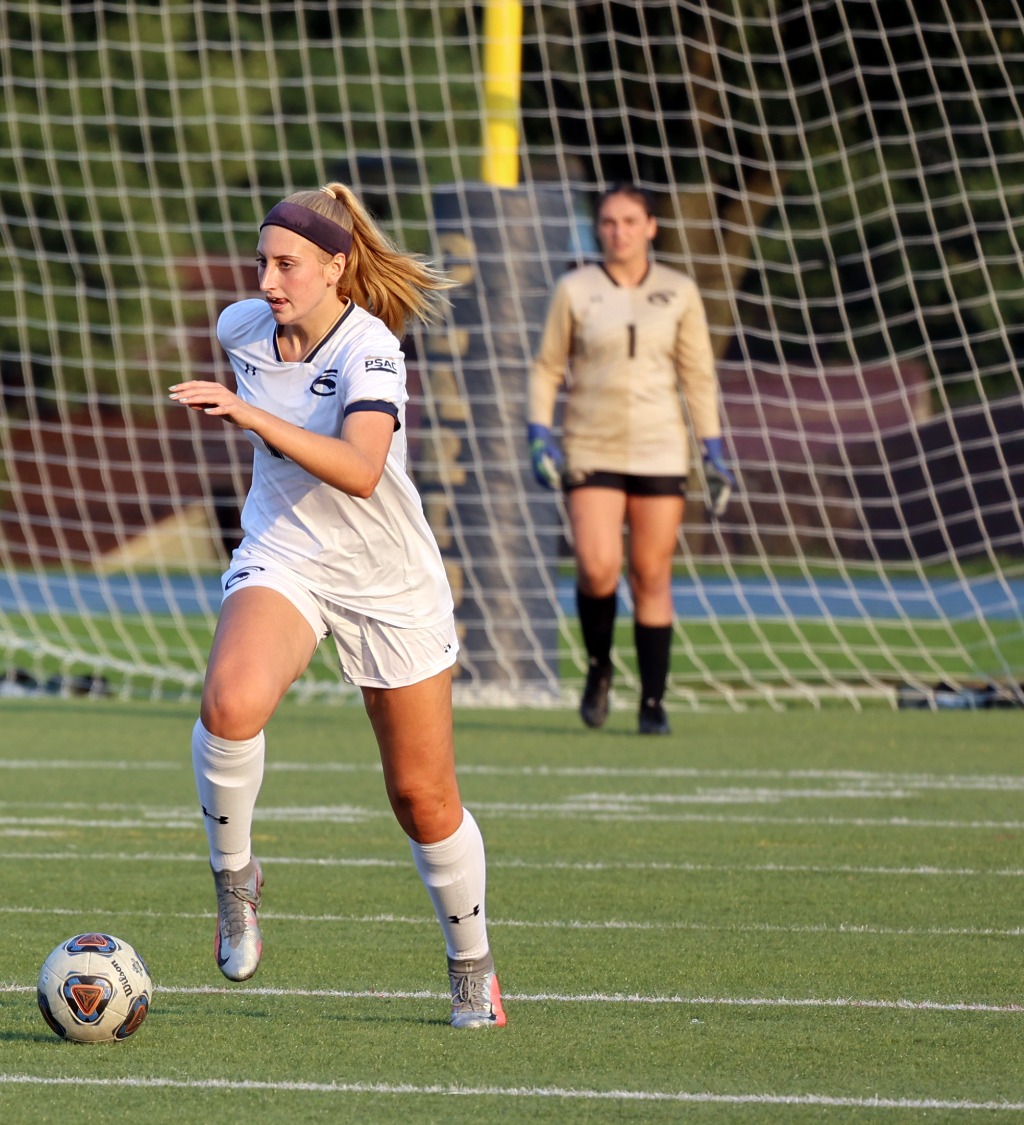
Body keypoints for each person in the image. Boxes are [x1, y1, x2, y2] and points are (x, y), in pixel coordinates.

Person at [167, 184, 502, 1029]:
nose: (269, 281)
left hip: (389, 580)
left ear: (335, 264)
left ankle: (472, 964)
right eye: (262, 262)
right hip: (287, 557)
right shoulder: (242, 328)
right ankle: (236, 883)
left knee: (422, 796)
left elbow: (358, 468)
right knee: (229, 702)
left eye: (288, 264)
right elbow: (256, 353)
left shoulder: (373, 350)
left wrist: (247, 412)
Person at [526, 185, 735, 735]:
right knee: (597, 569)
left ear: (650, 227)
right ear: (599, 228)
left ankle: (652, 701)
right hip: (591, 445)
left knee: (651, 573)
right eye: (609, 222)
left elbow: (697, 375)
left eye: (629, 221)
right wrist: (538, 433)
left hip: (661, 448)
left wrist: (711, 449)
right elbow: (548, 367)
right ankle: (598, 670)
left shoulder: (680, 291)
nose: (618, 230)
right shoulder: (575, 288)